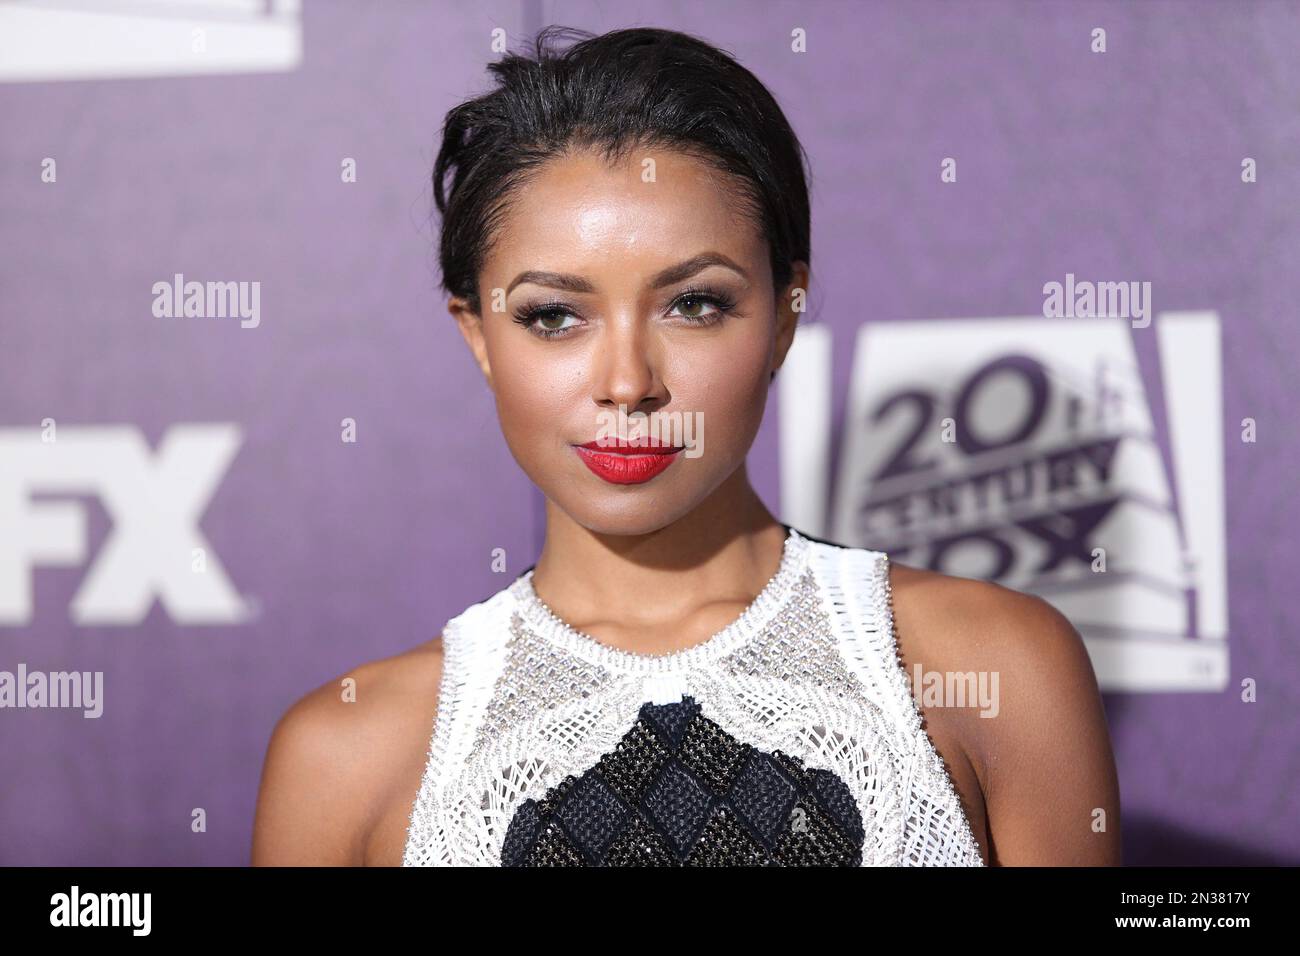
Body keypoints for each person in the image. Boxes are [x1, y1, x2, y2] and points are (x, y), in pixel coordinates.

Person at [251, 25, 1121, 867]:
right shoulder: (345, 756)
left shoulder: (995, 666)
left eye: (695, 304)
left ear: (785, 314)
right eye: (553, 315)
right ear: (478, 335)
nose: (628, 384)